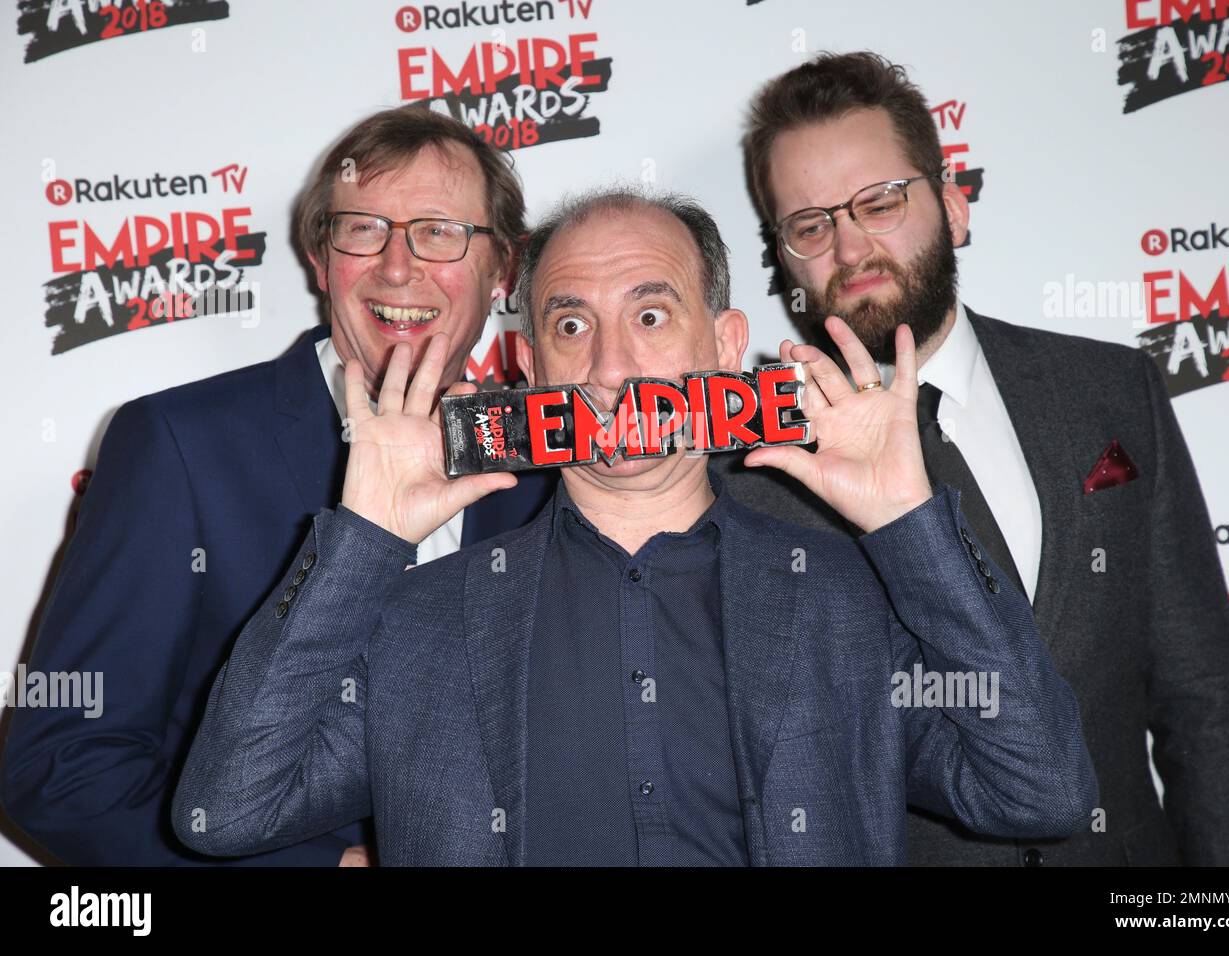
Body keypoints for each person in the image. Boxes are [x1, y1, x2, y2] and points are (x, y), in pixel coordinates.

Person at [170, 188, 1098, 866]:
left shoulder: (849, 599)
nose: (612, 366)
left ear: (726, 347)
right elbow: (224, 812)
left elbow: (1043, 788)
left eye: (652, 315)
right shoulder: (418, 617)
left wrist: (910, 525)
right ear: (528, 367)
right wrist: (362, 539)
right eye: (571, 328)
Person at [726, 51, 1229, 865]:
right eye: (810, 225)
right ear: (784, 261)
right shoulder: (754, 472)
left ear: (953, 207)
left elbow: (1206, 704)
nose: (849, 250)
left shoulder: (1109, 392)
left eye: (879, 202)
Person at [1, 104, 553, 866]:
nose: (399, 267)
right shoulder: (179, 446)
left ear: (504, 270)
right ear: (320, 259)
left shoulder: (551, 465)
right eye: (363, 230)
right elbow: (60, 770)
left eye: (439, 232)